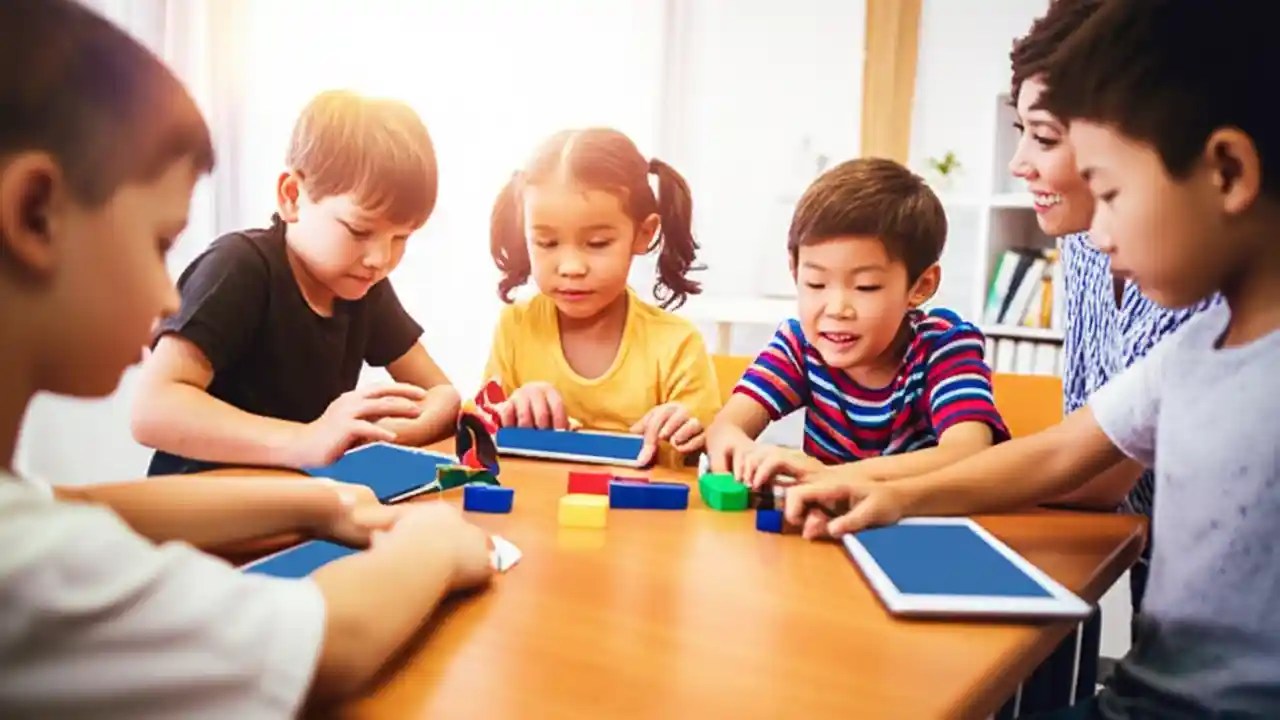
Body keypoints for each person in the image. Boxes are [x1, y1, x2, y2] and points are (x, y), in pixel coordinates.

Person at [0, 2, 492, 715]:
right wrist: (437, 548)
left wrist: (319, 499)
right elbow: (331, 642)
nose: (171, 288)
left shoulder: (24, 517)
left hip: (275, 524)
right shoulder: (32, 566)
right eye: (161, 244)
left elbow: (80, 506)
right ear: (36, 214)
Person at [788, 2, 1280, 716]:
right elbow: (1059, 454)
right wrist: (892, 493)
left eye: (1108, 191)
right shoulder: (1190, 354)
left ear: (1228, 171)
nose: (1093, 232)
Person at [1007, 0, 1215, 616]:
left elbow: (1089, 469)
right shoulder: (1083, 240)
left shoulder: (1201, 273)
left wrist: (891, 482)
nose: (1019, 162)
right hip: (1162, 598)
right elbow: (1084, 430)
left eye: (1044, 136)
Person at [133, 89, 460, 475]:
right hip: (202, 508)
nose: (380, 260)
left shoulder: (362, 287)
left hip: (295, 501)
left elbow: (442, 392)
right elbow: (152, 410)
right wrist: (306, 440)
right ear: (292, 197)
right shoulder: (239, 268)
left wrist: (389, 434)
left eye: (401, 237)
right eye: (358, 230)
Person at [705, 158, 1008, 488]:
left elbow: (968, 454)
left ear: (920, 286)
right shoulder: (799, 346)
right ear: (795, 271)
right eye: (816, 284)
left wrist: (830, 477)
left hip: (918, 528)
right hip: (823, 529)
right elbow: (726, 428)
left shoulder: (943, 347)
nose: (837, 309)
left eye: (866, 287)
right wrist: (743, 454)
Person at [485, 128, 719, 467]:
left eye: (596, 243)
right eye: (547, 243)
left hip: (639, 516)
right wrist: (511, 408)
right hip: (531, 514)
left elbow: (709, 452)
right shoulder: (516, 327)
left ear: (643, 234)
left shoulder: (677, 344)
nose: (571, 267)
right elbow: (479, 428)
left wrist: (688, 431)